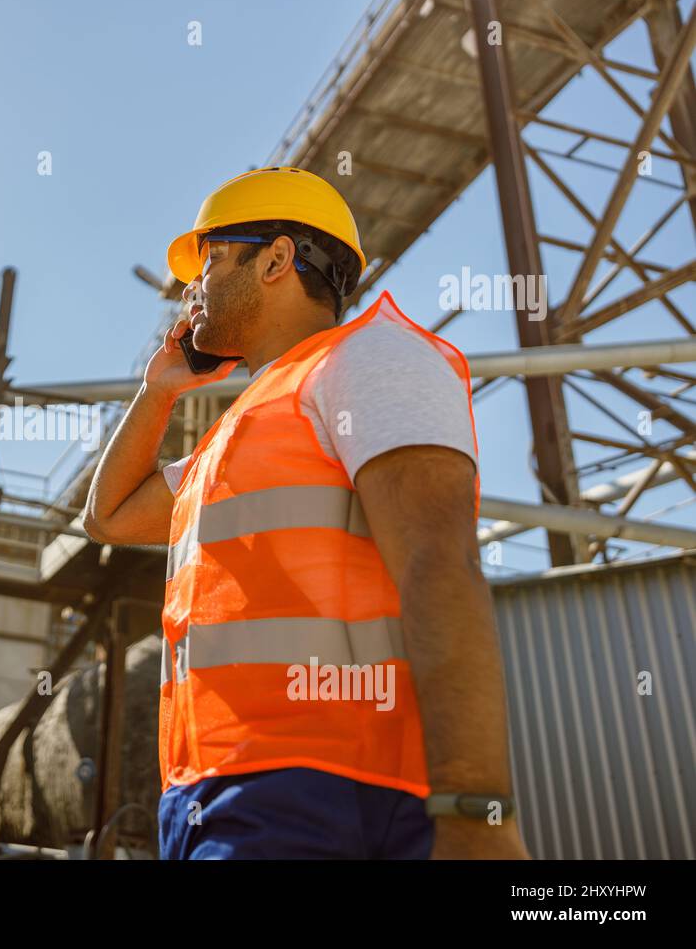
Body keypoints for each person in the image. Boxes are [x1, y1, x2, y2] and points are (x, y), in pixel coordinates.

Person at [84, 167, 529, 859]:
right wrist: (158, 392)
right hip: (215, 792)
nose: (190, 289)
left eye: (209, 261)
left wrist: (477, 811)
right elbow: (107, 517)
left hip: (329, 791)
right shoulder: (248, 424)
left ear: (276, 259)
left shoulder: (369, 360)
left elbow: (440, 564)